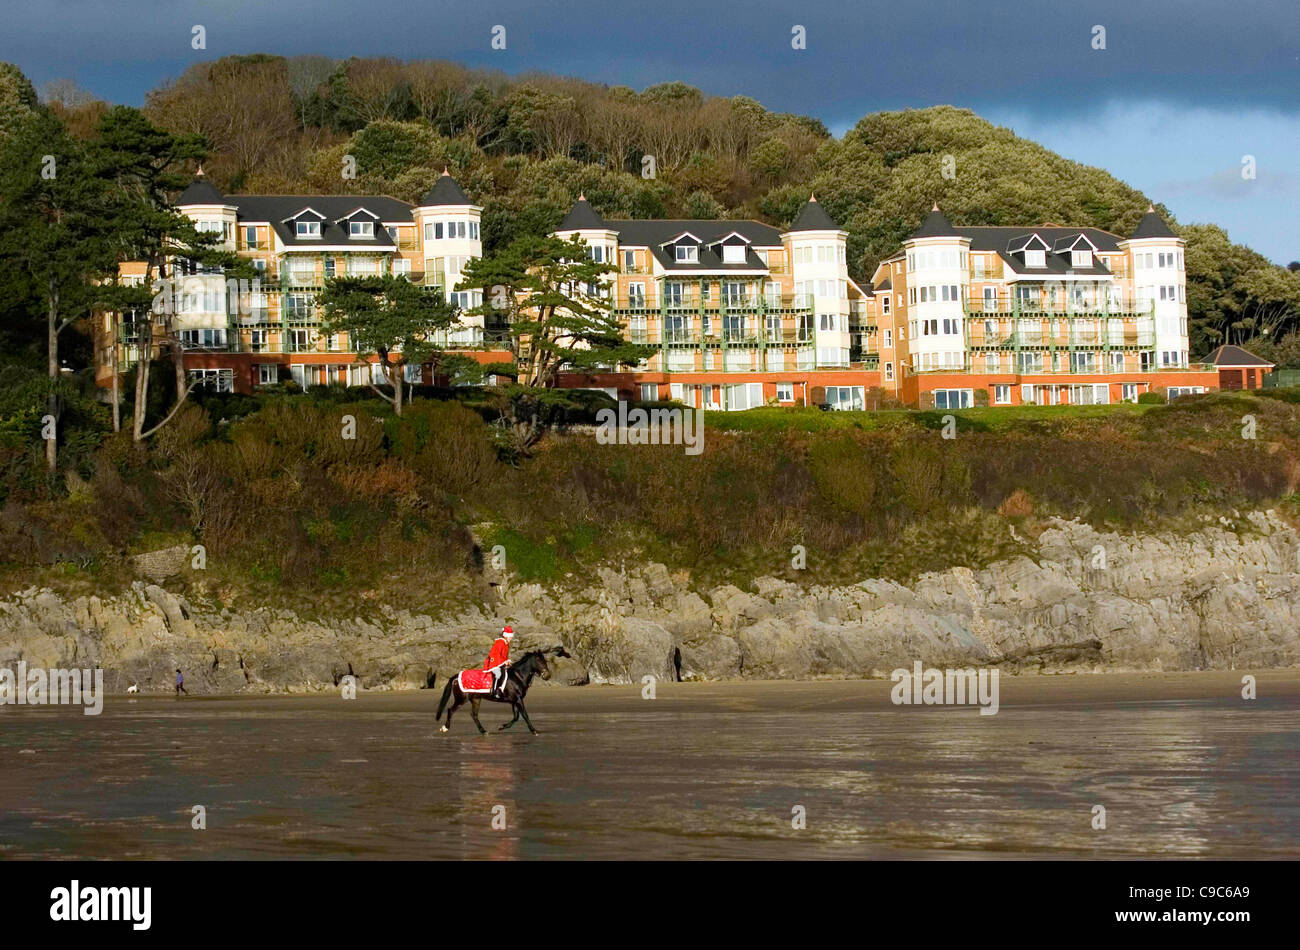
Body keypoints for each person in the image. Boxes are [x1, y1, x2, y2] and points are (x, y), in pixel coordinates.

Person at [483, 626, 514, 697]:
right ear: (506, 636)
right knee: (498, 674)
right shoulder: (500, 643)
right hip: (493, 663)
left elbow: (504, 656)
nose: (511, 638)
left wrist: (507, 661)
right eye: (510, 637)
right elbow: (496, 655)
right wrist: (504, 661)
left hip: (500, 663)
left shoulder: (506, 644)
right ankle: (495, 691)